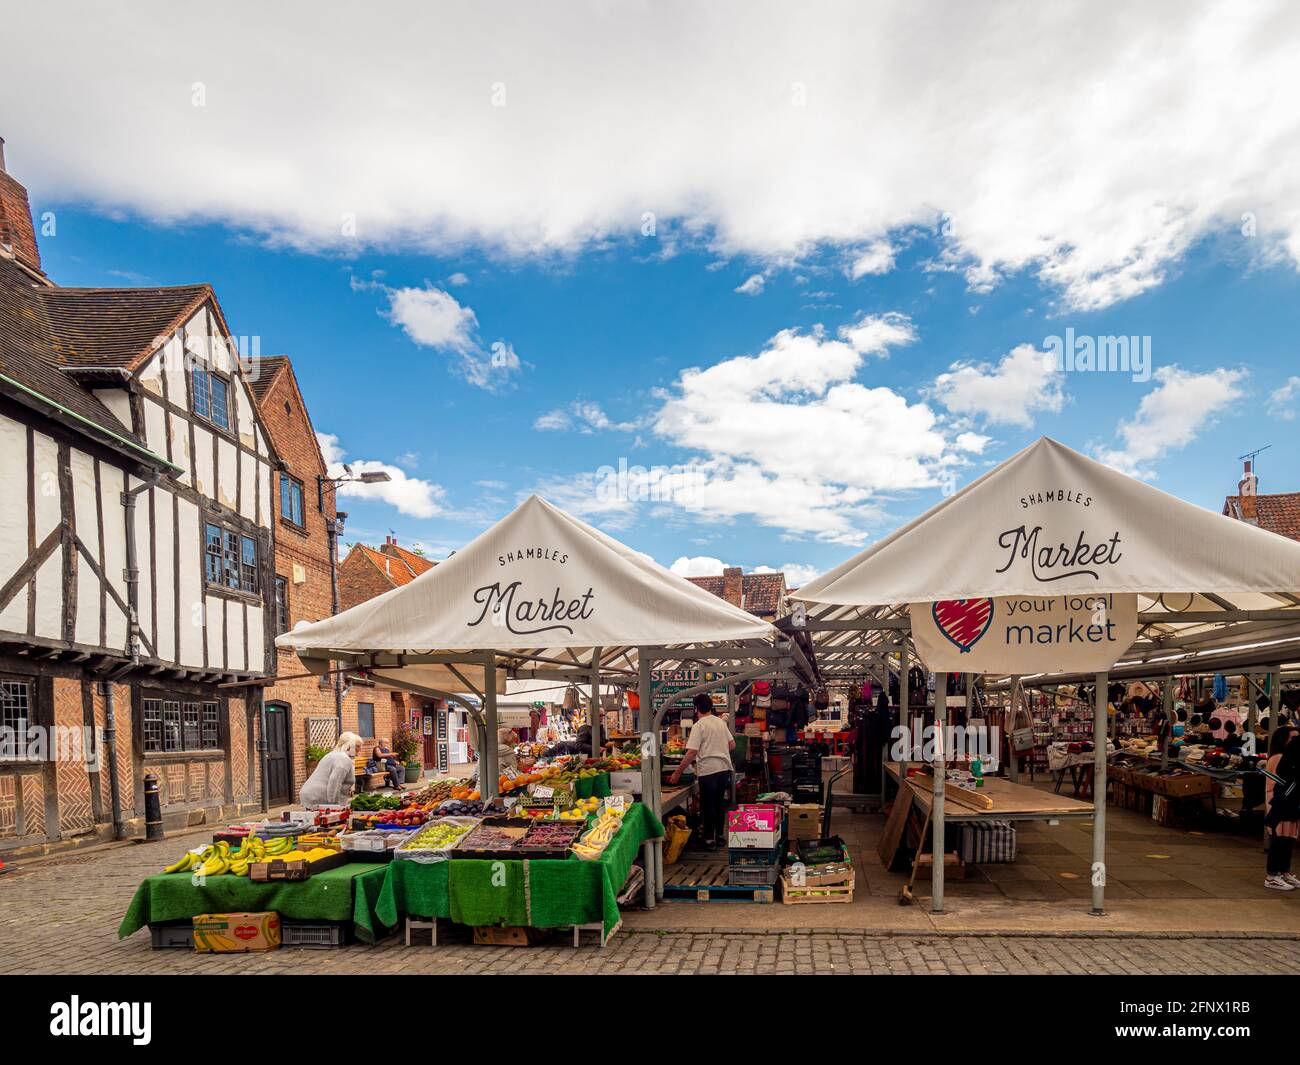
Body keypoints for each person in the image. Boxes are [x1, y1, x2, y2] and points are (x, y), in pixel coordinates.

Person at [669, 694, 735, 848]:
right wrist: (719, 748)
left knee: (708, 805)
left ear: (696, 708)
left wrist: (677, 773)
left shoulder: (699, 726)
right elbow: (732, 745)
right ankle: (720, 836)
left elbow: (691, 752)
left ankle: (708, 839)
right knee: (719, 803)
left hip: (708, 770)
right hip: (724, 768)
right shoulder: (720, 722)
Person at [1264, 725, 1300, 890]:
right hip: (1281, 803)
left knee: (1288, 839)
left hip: (1290, 802)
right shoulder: (1279, 758)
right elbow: (1280, 782)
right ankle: (1272, 875)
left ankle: (1284, 872)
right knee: (1280, 839)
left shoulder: (1289, 757)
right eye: (1292, 738)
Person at [300, 732, 362, 808]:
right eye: (357, 746)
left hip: (312, 794)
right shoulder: (343, 759)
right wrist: (334, 806)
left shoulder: (334, 754)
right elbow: (335, 783)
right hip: (319, 797)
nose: (360, 749)